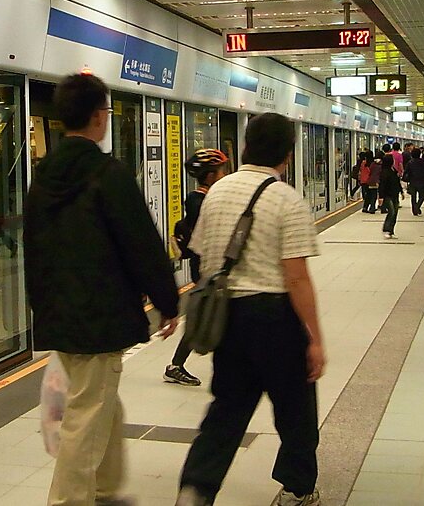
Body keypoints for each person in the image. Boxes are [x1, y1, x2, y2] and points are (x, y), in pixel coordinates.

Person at [25, 74, 181, 506]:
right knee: (87, 417)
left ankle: (106, 490)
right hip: (99, 316)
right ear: (98, 117)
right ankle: (70, 500)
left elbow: (33, 248)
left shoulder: (42, 177)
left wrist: (42, 308)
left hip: (60, 314)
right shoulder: (106, 172)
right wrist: (168, 302)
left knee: (100, 405)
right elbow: (141, 243)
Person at [176, 113, 326, 506]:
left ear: (245, 146)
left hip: (229, 318)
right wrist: (314, 338)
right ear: (287, 154)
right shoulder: (286, 198)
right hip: (275, 317)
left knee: (227, 408)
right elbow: (296, 276)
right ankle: (296, 489)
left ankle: (196, 487)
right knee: (296, 409)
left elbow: (201, 256)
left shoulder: (218, 192)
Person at [164, 148, 230, 387]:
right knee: (209, 315)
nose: (224, 175)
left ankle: (177, 365)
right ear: (211, 176)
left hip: (208, 264)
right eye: (221, 171)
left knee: (212, 315)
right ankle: (176, 365)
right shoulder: (197, 200)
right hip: (204, 266)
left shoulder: (206, 197)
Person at [379, 153, 403, 239]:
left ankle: (391, 230)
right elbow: (382, 185)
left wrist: (401, 191)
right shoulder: (384, 172)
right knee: (392, 211)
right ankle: (387, 229)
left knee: (395, 212)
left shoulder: (393, 170)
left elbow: (397, 182)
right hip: (387, 195)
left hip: (395, 194)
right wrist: (381, 197)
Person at [404, 147, 424, 216]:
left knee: (413, 196)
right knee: (422, 196)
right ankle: (417, 207)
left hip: (413, 181)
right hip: (422, 181)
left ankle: (414, 209)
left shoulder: (410, 162)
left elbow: (406, 172)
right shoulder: (423, 161)